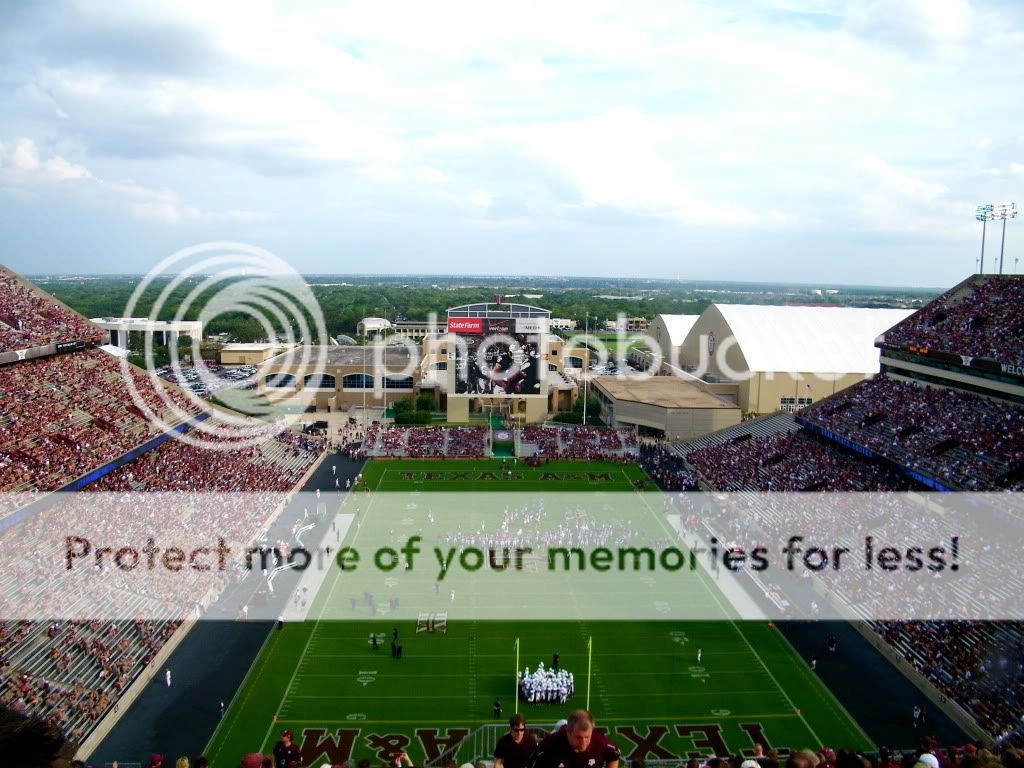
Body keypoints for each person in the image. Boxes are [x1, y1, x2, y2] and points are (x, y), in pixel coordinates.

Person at [526, 709, 620, 768]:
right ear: (568, 732)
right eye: (579, 737)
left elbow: (614, 756)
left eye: (587, 737)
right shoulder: (549, 746)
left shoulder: (601, 743)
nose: (583, 742)